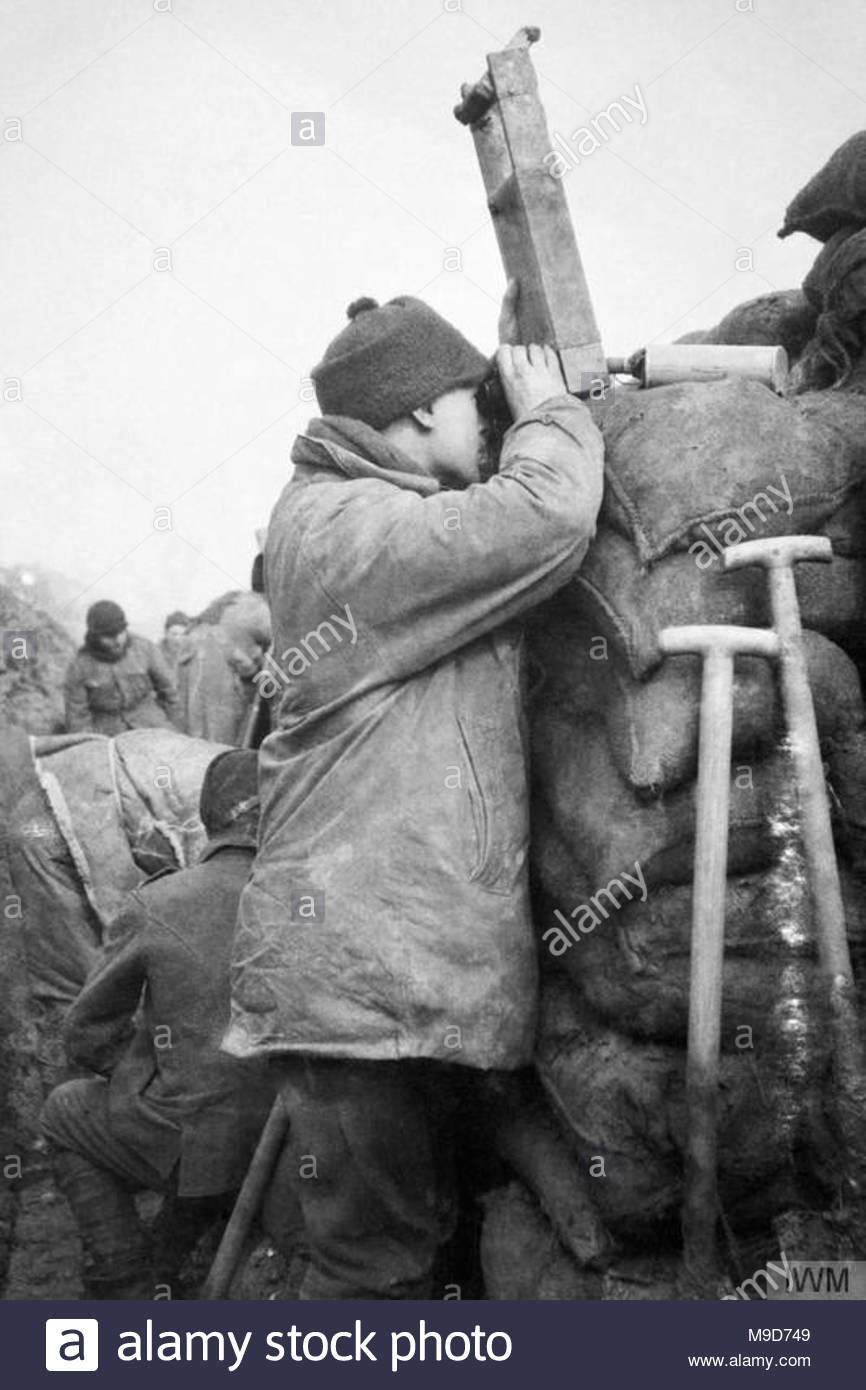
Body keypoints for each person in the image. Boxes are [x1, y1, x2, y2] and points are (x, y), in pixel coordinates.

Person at [223, 287, 606, 1298]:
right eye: (471, 403)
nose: (483, 423)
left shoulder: (344, 514)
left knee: (412, 1249)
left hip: (379, 983)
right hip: (359, 990)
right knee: (372, 1269)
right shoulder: (350, 528)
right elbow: (547, 514)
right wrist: (546, 412)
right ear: (421, 412)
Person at [41, 750, 276, 1299]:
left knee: (65, 1111)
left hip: (206, 1145)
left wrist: (145, 1067)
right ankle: (175, 1243)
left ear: (208, 819)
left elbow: (84, 1034)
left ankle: (125, 1282)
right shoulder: (311, 893)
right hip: (297, 1137)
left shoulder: (161, 902)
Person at [63, 600, 180, 736]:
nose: (118, 640)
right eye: (109, 636)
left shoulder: (145, 649)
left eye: (120, 632)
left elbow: (170, 693)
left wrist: (173, 729)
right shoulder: (79, 666)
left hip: (150, 723)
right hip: (107, 732)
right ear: (95, 637)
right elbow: (77, 719)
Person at [176, 592, 271, 746]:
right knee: (219, 739)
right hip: (216, 659)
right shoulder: (257, 606)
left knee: (195, 731)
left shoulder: (234, 600)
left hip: (194, 653)